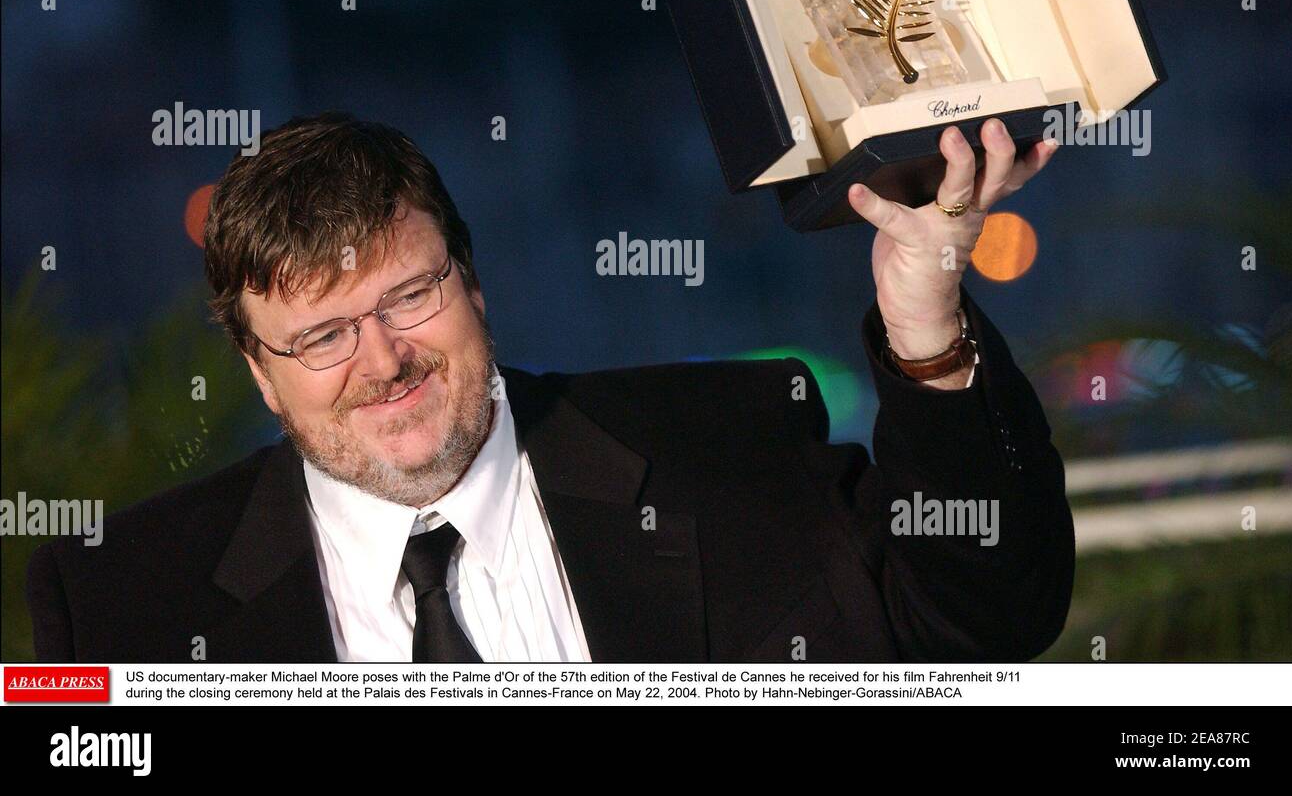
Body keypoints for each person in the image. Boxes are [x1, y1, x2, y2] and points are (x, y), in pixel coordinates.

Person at [28, 112, 1072, 662]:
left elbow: (987, 621)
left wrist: (924, 324)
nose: (383, 360)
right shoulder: (125, 606)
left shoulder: (732, 445)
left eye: (408, 297)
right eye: (321, 336)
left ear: (473, 282)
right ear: (259, 371)